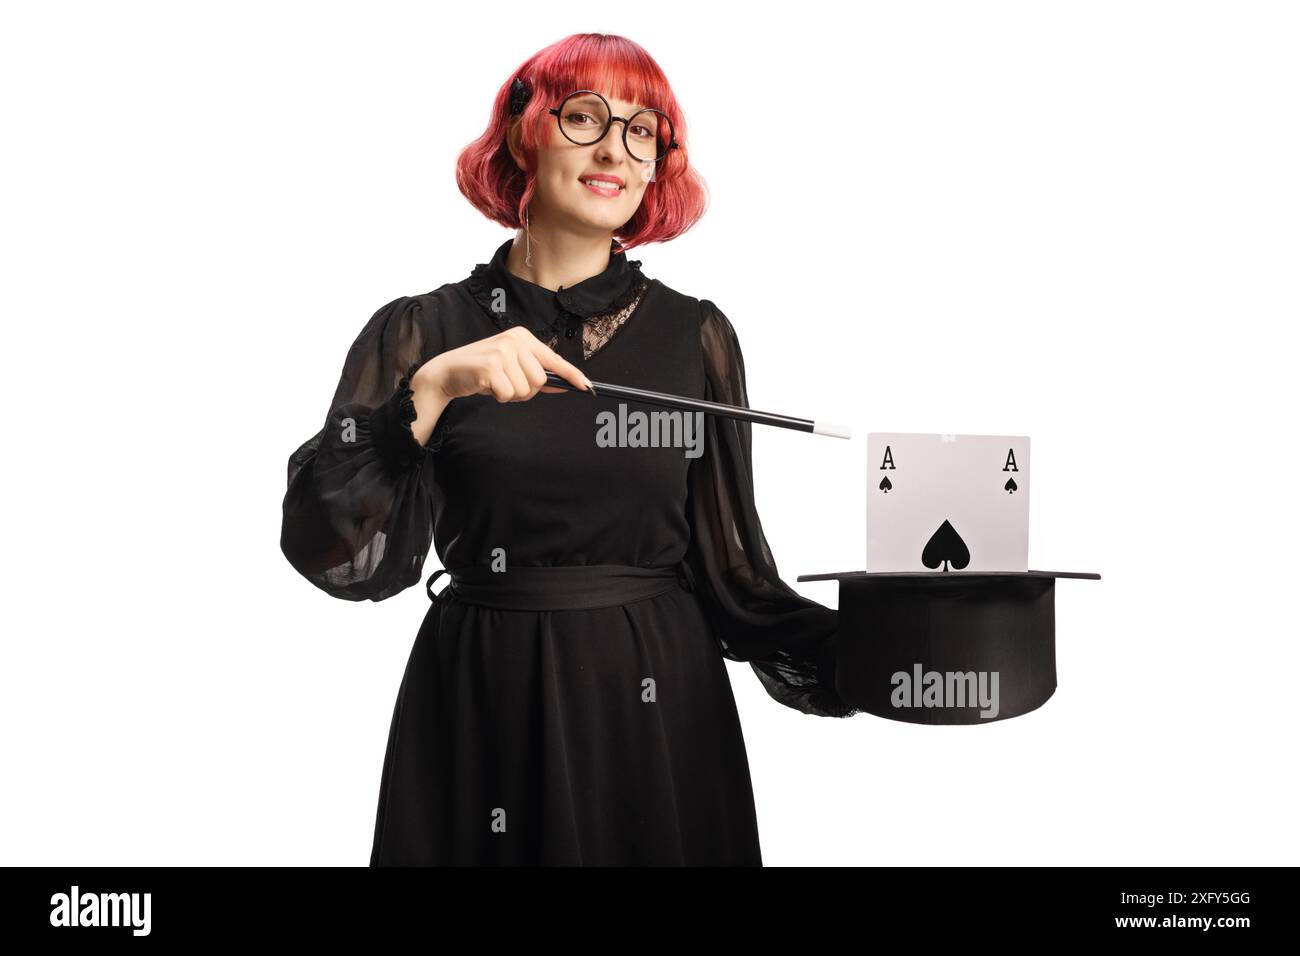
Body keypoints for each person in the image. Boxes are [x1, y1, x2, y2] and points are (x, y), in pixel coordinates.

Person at [280, 32, 859, 867]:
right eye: (583, 116)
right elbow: (332, 548)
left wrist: (880, 650)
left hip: (656, 711)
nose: (613, 150)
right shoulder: (421, 331)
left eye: (642, 130)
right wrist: (432, 391)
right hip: (484, 698)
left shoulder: (696, 335)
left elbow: (736, 581)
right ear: (525, 132)